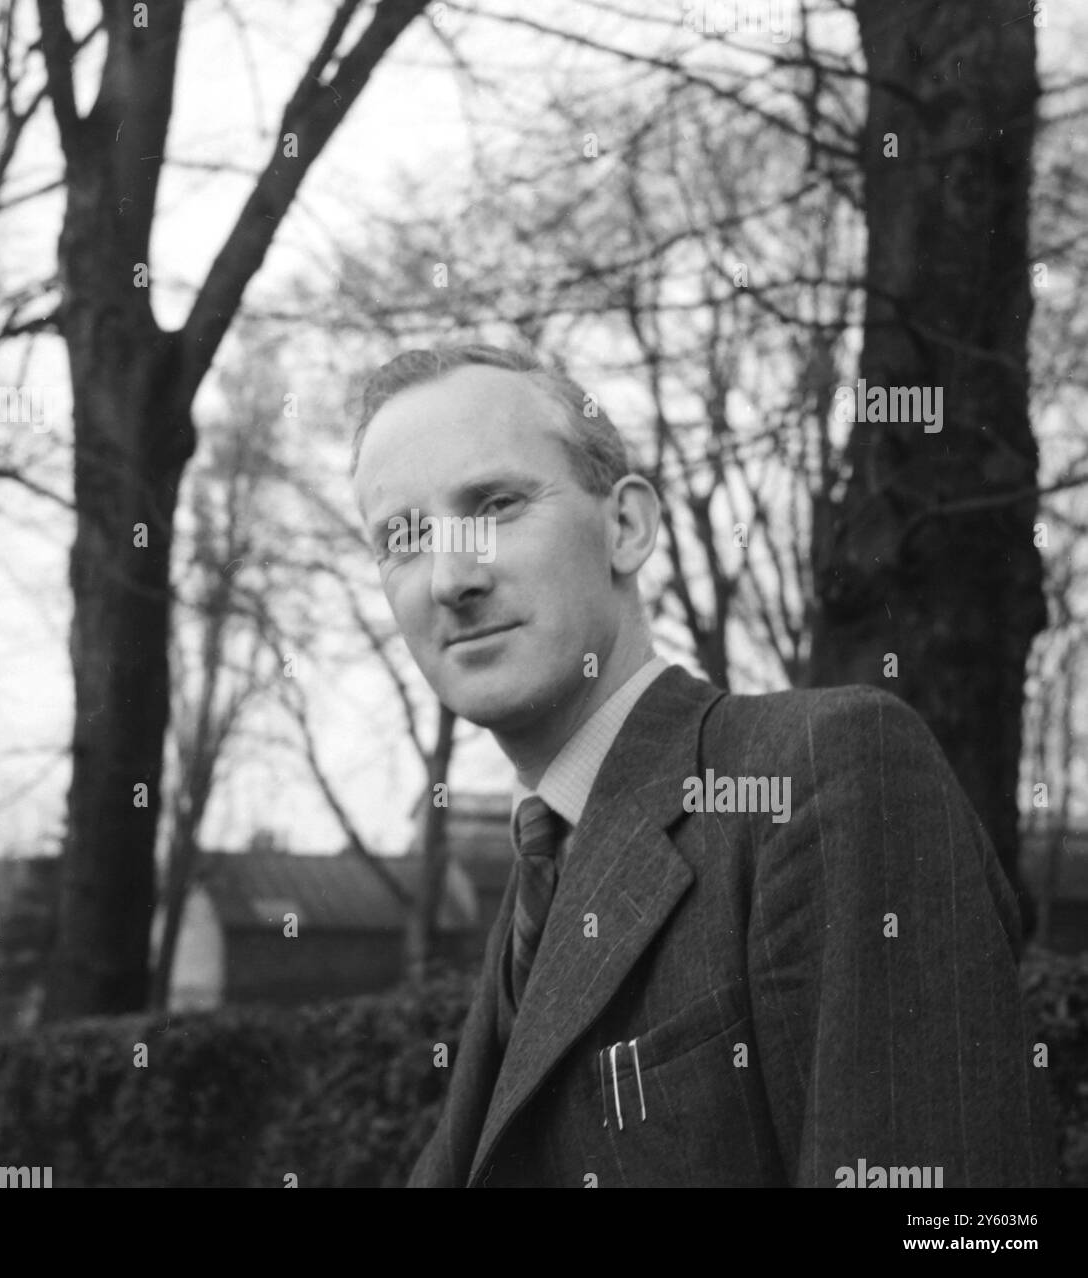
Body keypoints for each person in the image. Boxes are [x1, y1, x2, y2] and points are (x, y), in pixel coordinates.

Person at [351, 344, 1060, 1189]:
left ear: (627, 527)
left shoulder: (822, 771)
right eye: (405, 537)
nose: (450, 578)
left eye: (495, 505)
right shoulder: (540, 882)